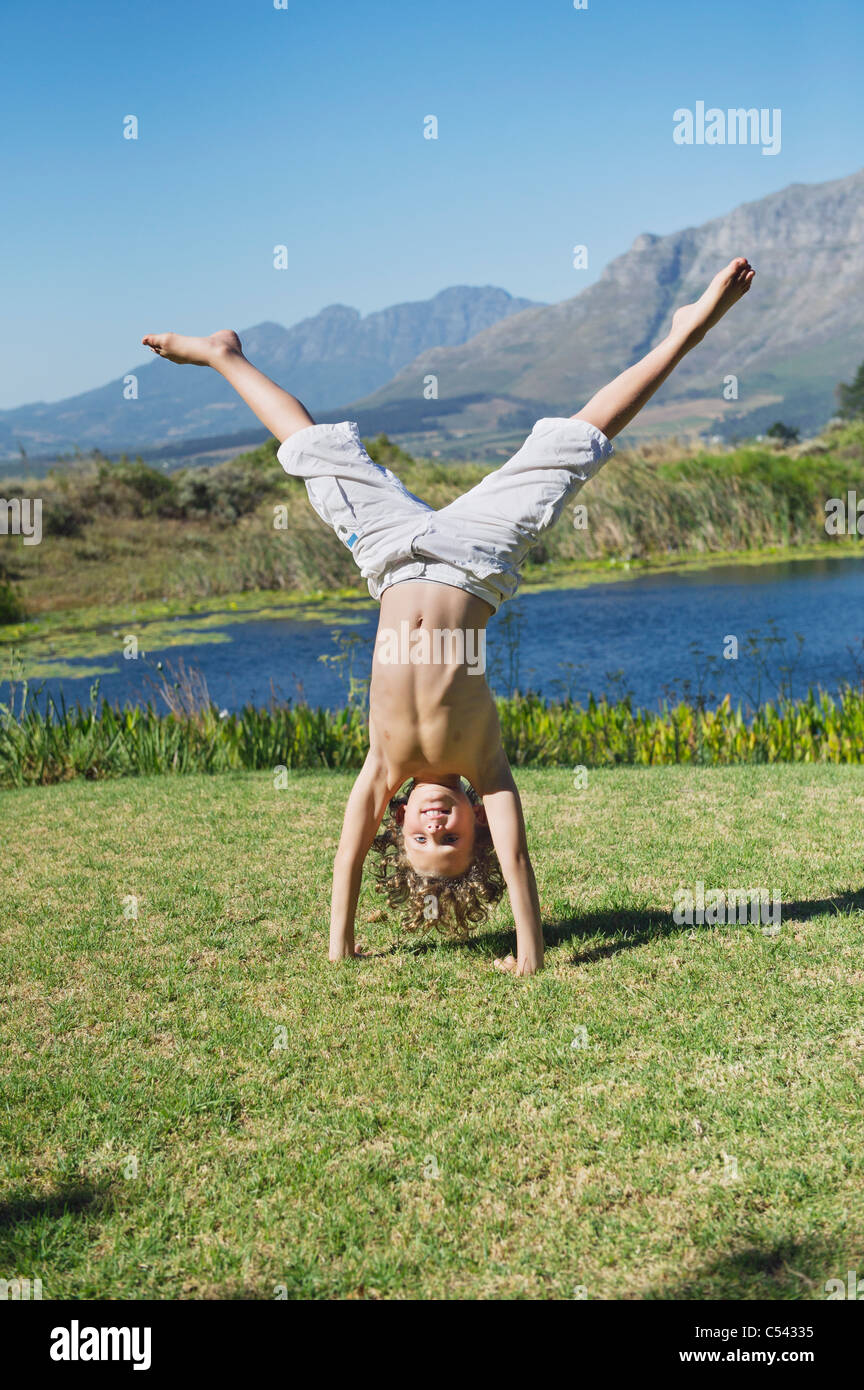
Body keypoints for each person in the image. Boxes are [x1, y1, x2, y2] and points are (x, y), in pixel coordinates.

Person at [143, 256, 755, 975]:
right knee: (572, 447)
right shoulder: (486, 768)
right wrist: (529, 956)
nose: (437, 828)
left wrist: (340, 948)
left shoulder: (384, 767)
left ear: (396, 824)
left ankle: (223, 355)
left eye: (423, 838)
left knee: (312, 454)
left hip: (389, 558)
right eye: (454, 838)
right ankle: (684, 335)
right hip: (475, 558)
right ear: (475, 825)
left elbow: (345, 856)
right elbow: (520, 859)